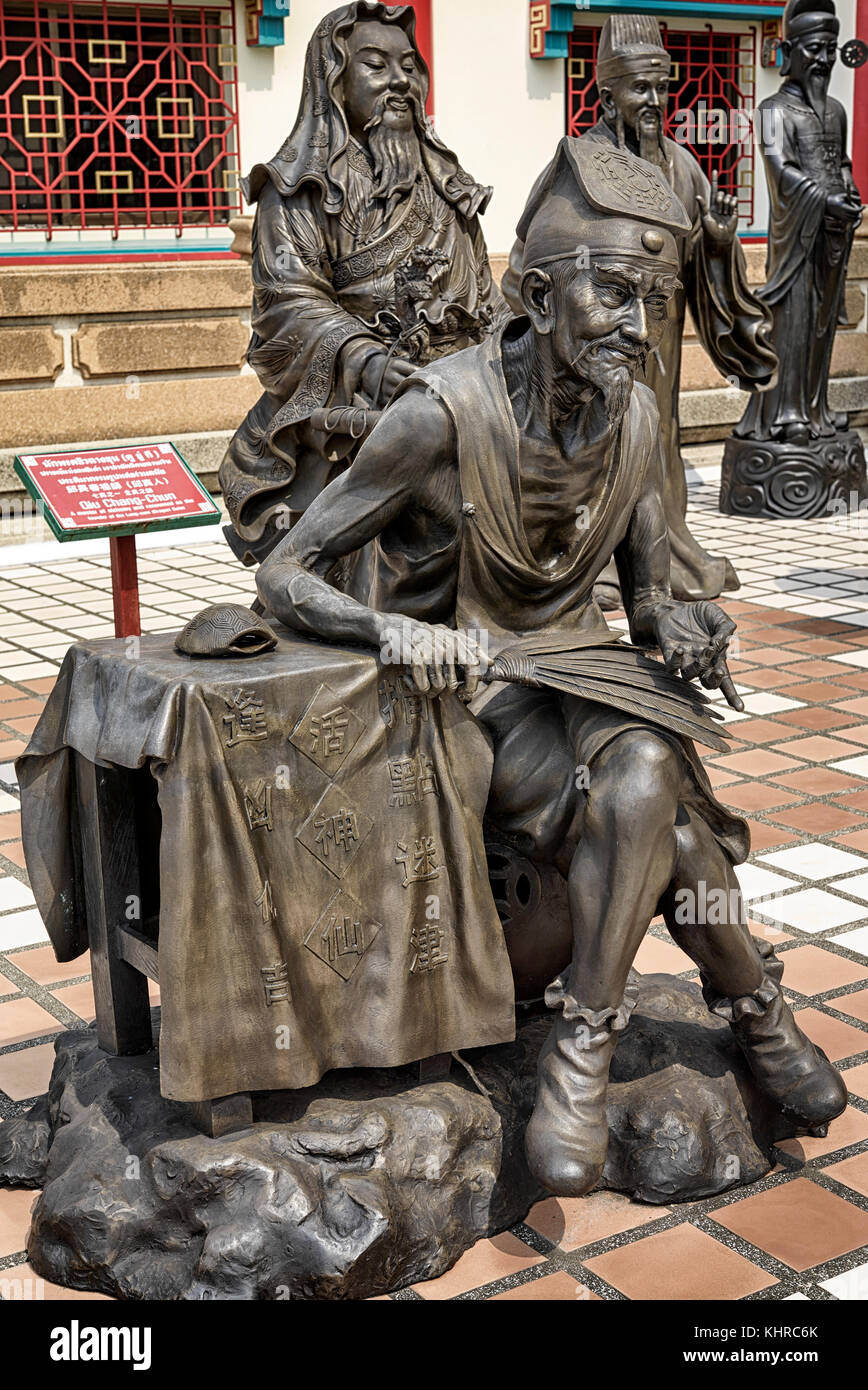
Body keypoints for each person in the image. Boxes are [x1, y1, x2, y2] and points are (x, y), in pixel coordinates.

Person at [256, 138, 845, 1197]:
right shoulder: (440, 413)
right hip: (469, 692)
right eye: (611, 294)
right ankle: (744, 1009)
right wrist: (387, 630)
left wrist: (681, 625)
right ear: (533, 292)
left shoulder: (629, 415)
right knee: (660, 820)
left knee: (646, 778)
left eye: (651, 304)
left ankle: (601, 1040)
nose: (635, 326)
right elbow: (286, 570)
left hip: (582, 680)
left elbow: (649, 589)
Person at [220, 1, 506, 566]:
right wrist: (366, 359)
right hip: (352, 411)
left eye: (409, 66)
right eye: (377, 65)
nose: (401, 81)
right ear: (334, 80)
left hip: (463, 404)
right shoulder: (297, 188)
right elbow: (288, 301)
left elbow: (486, 298)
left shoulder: (448, 185)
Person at [502, 15, 776, 605]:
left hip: (659, 339)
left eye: (662, 88)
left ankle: (661, 554)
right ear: (606, 94)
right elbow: (525, 266)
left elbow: (704, 270)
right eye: (640, 88)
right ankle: (592, 562)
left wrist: (721, 242)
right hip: (593, 344)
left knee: (654, 434)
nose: (655, 101)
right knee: (596, 439)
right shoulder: (575, 166)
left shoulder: (682, 167)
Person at [734, 0, 863, 446]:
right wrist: (825, 199)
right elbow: (780, 171)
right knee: (792, 321)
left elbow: (841, 162)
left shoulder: (836, 112)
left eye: (830, 48)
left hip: (831, 233)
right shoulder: (771, 111)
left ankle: (816, 409)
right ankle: (783, 414)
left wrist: (848, 190)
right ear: (790, 52)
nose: (825, 59)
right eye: (815, 49)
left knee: (822, 323)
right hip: (796, 234)